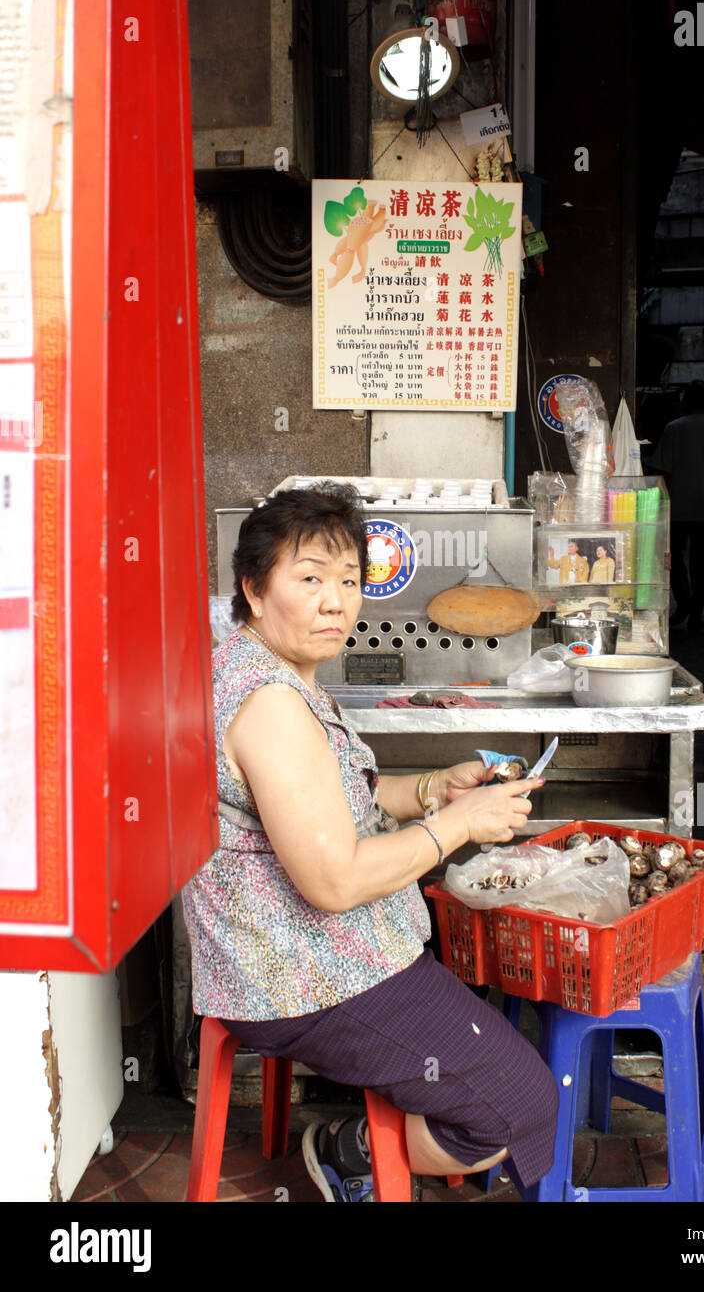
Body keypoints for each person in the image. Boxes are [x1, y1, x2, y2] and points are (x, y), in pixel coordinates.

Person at [181, 483, 558, 1203]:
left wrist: (431, 790)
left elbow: (337, 798)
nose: (336, 602)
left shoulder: (273, 671)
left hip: (307, 952)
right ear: (255, 590)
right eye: (311, 579)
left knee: (472, 1010)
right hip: (299, 972)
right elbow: (334, 880)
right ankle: (349, 1151)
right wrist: (458, 825)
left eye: (350, 581)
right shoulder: (267, 704)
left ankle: (386, 1132)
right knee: (523, 1102)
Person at [649, 380, 704, 631]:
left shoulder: (673, 429)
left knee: (673, 560)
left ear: (685, 399)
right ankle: (695, 612)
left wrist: (656, 509)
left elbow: (660, 472)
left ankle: (684, 603)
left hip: (677, 509)